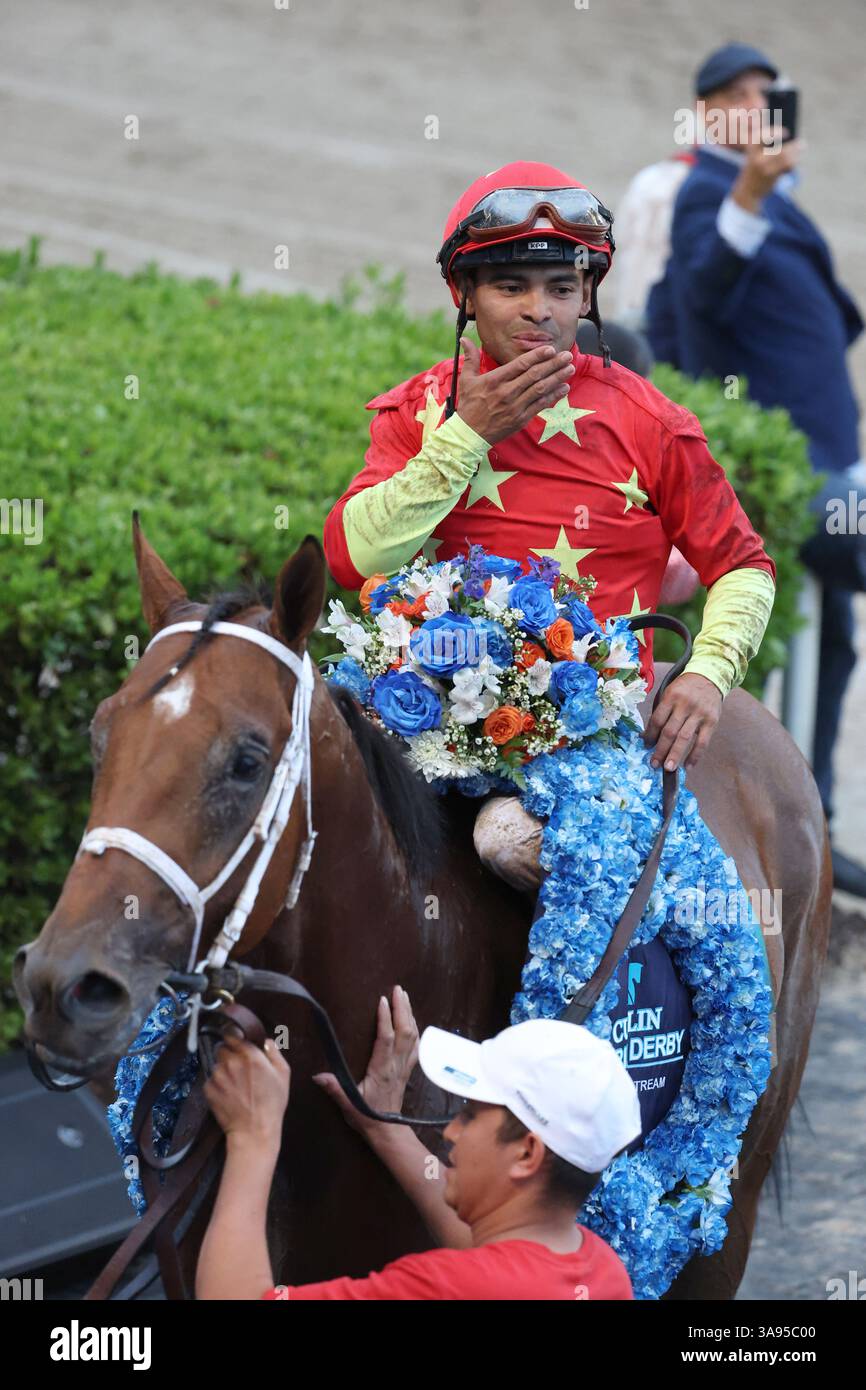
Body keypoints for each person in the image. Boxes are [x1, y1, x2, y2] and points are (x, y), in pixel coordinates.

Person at [321, 161, 777, 1134]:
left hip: (583, 741)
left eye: (561, 288)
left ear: (586, 298)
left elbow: (741, 566)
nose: (538, 311)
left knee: (505, 841)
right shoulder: (415, 411)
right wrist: (465, 435)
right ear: (462, 294)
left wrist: (703, 673)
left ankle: (585, 1108)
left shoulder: (648, 417)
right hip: (426, 721)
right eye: (510, 286)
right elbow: (353, 552)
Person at [647, 51, 866, 896]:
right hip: (807, 471)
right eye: (735, 97)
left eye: (765, 96)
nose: (756, 107)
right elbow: (704, 286)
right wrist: (748, 191)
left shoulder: (771, 202)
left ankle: (818, 826)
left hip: (832, 455)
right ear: (704, 115)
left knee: (836, 646)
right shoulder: (709, 192)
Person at [195, 986, 639, 1300]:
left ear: (526, 1153)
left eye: (468, 1115)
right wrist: (385, 1126)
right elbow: (491, 1254)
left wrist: (253, 1138)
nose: (450, 1131)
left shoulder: (446, 1287)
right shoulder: (602, 1271)